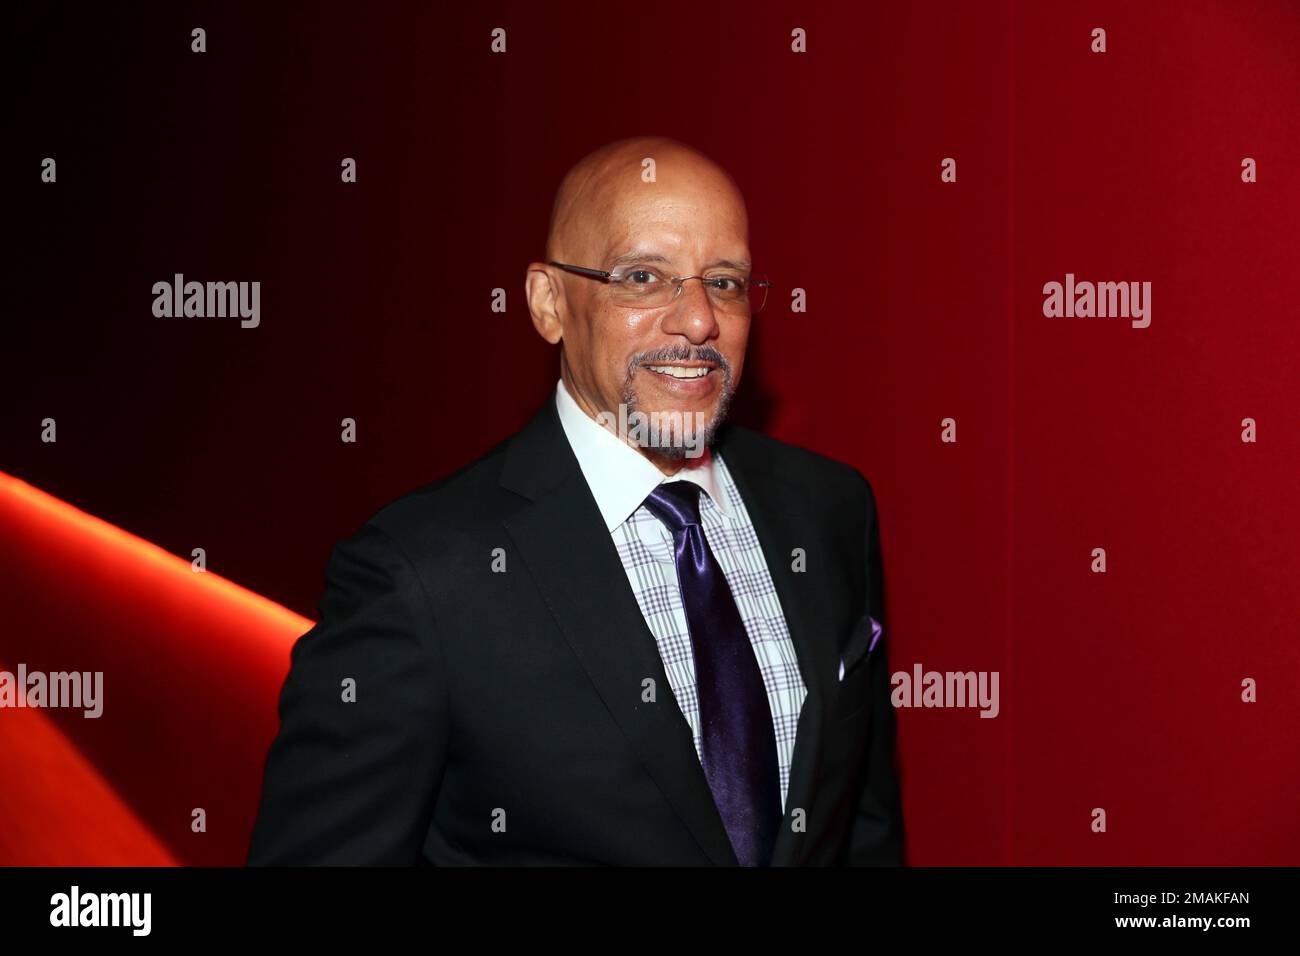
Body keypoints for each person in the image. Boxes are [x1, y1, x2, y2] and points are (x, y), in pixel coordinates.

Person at [246, 135, 904, 866]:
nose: (696, 322)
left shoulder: (829, 510)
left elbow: (864, 832)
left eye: (723, 282)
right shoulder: (421, 576)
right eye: (644, 277)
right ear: (548, 303)